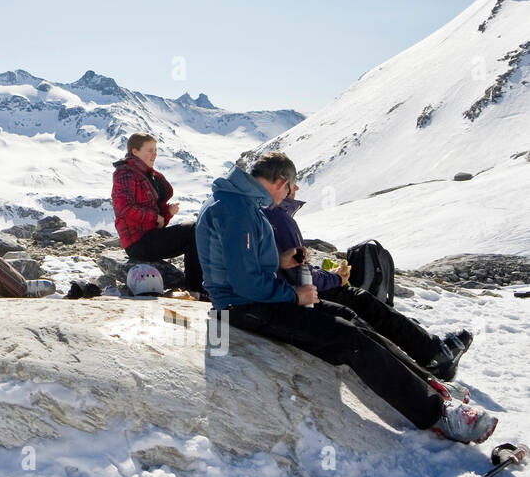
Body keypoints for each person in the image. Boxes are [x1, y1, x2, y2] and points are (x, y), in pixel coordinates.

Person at [195, 151, 496, 444]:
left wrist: (279, 261)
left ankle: (432, 386)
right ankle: (438, 415)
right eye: (290, 188)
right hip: (244, 306)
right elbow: (245, 283)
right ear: (281, 183)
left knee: (349, 317)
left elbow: (239, 259)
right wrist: (295, 295)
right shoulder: (237, 210)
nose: (288, 196)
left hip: (256, 300)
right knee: (347, 340)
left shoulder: (241, 203)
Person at [264, 184, 472, 381]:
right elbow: (299, 273)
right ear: (281, 183)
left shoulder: (264, 213)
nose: (298, 188)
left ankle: (426, 349)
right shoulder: (280, 219)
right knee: (357, 300)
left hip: (277, 291)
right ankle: (433, 354)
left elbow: (291, 264)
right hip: (287, 296)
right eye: (292, 182)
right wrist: (336, 277)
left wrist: (325, 274)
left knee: (354, 299)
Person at [112, 133, 205, 297]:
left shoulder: (147, 174)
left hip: (149, 236)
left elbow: (157, 217)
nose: (154, 155)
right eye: (149, 150)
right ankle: (196, 289)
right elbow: (124, 208)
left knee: (197, 230)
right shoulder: (125, 174)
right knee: (193, 230)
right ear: (135, 151)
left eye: (155, 150)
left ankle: (199, 287)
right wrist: (154, 217)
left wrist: (166, 213)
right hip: (138, 243)